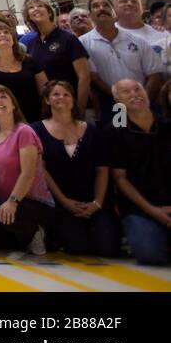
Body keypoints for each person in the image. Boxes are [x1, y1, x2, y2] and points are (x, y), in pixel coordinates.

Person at [32, 80, 119, 256]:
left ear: (73, 99)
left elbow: (102, 169)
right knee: (77, 247)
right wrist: (64, 201)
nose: (61, 98)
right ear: (47, 100)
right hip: (60, 202)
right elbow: (41, 170)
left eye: (66, 94)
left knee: (107, 248)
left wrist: (97, 203)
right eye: (56, 94)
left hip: (94, 200)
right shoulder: (36, 130)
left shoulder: (92, 130)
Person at [0, 85, 52, 254]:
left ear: (13, 105)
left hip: (28, 201)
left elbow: (28, 173)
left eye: (3, 97)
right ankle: (19, 239)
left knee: (11, 218)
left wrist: (12, 201)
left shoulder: (24, 131)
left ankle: (37, 231)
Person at [107, 79, 171, 265]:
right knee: (150, 254)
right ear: (117, 101)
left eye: (137, 89)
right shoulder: (115, 132)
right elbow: (120, 179)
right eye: (127, 92)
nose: (135, 94)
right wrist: (154, 211)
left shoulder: (167, 126)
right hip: (141, 209)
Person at [82, 0, 163, 124]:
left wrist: (141, 99)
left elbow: (154, 74)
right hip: (112, 104)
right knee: (119, 140)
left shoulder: (137, 40)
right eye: (96, 6)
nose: (102, 8)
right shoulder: (83, 43)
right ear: (90, 15)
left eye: (106, 5)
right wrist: (121, 99)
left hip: (144, 100)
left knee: (152, 138)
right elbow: (93, 78)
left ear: (114, 12)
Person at [23, 0, 90, 114]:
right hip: (49, 109)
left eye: (40, 6)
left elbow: (84, 77)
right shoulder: (31, 44)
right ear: (28, 17)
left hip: (71, 105)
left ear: (49, 12)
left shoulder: (68, 39)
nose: (36, 9)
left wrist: (80, 110)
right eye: (31, 8)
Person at [0, 19, 46, 126]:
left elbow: (44, 90)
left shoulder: (29, 61)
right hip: (1, 123)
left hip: (34, 120)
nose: (2, 35)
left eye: (6, 32)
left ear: (13, 39)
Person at [115, 0, 170, 68]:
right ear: (114, 10)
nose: (129, 3)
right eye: (123, 1)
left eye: (134, 2)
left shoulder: (162, 34)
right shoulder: (109, 35)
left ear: (142, 9)